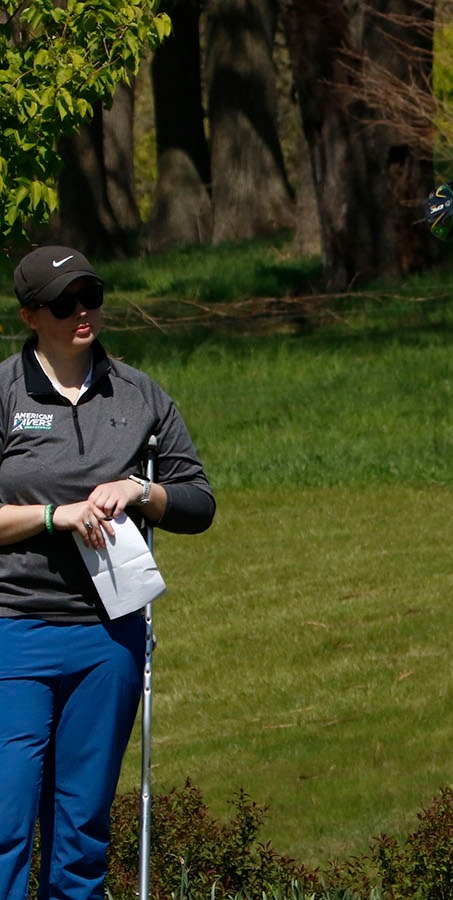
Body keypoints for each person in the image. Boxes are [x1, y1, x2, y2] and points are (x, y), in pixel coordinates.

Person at [0, 246, 215, 900]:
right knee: (7, 819)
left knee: (82, 829)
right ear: (30, 315)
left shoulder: (139, 393)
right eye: (63, 303)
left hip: (108, 637)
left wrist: (139, 491)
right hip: (14, 631)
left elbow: (198, 502)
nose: (82, 312)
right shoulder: (5, 391)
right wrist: (53, 516)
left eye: (90, 296)